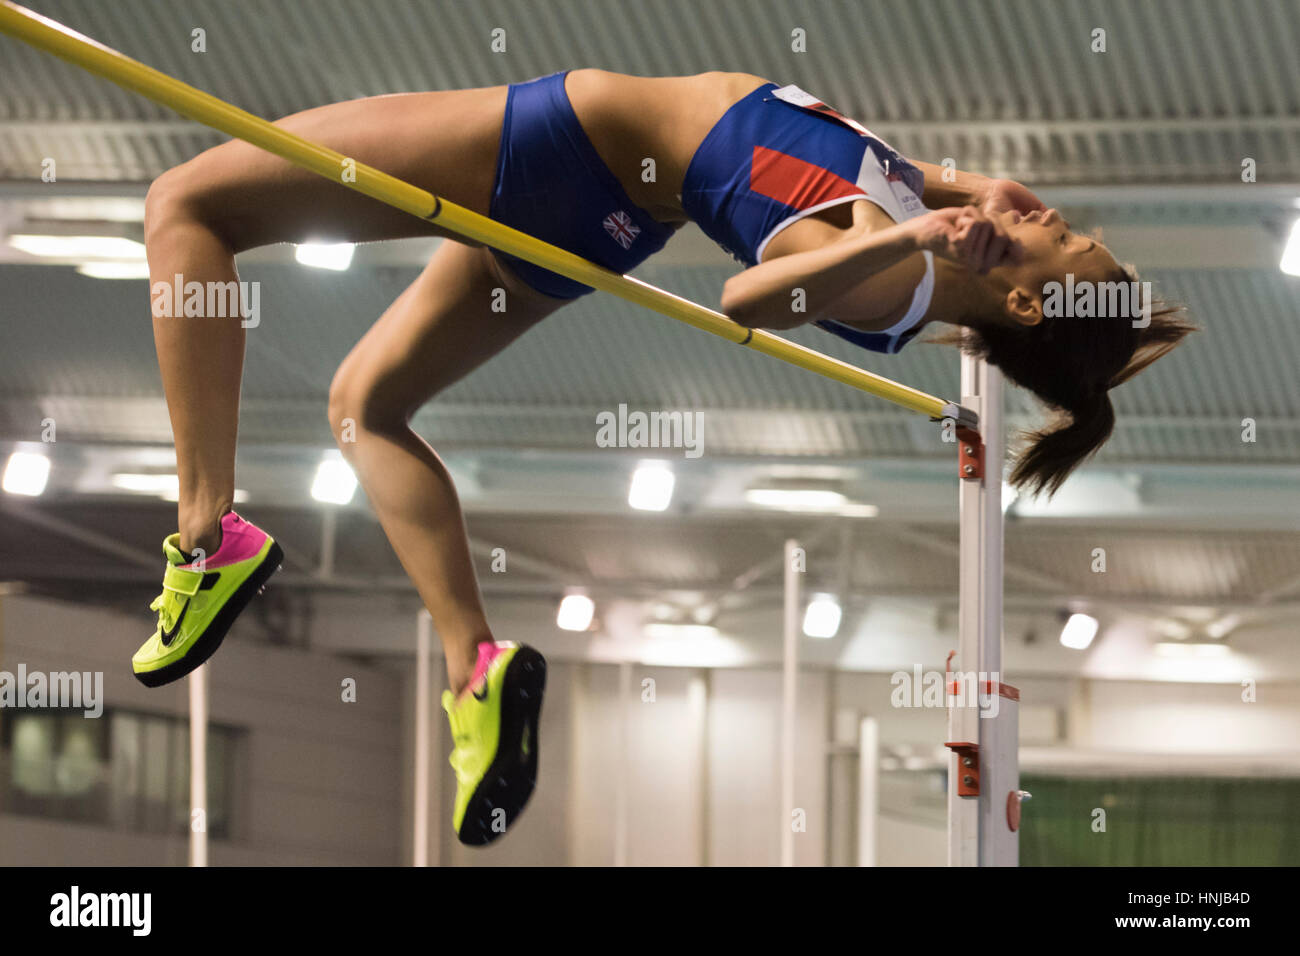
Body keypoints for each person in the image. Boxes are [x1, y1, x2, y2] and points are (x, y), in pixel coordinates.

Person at [133, 69, 1193, 844]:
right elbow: (904, 186)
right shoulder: (937, 234)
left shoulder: (887, 271)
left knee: (188, 204)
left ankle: (205, 531)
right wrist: (981, 204)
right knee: (367, 404)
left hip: (561, 147)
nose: (1050, 216)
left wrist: (913, 236)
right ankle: (476, 671)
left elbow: (750, 299)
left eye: (1065, 239)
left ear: (1015, 293)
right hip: (609, 213)